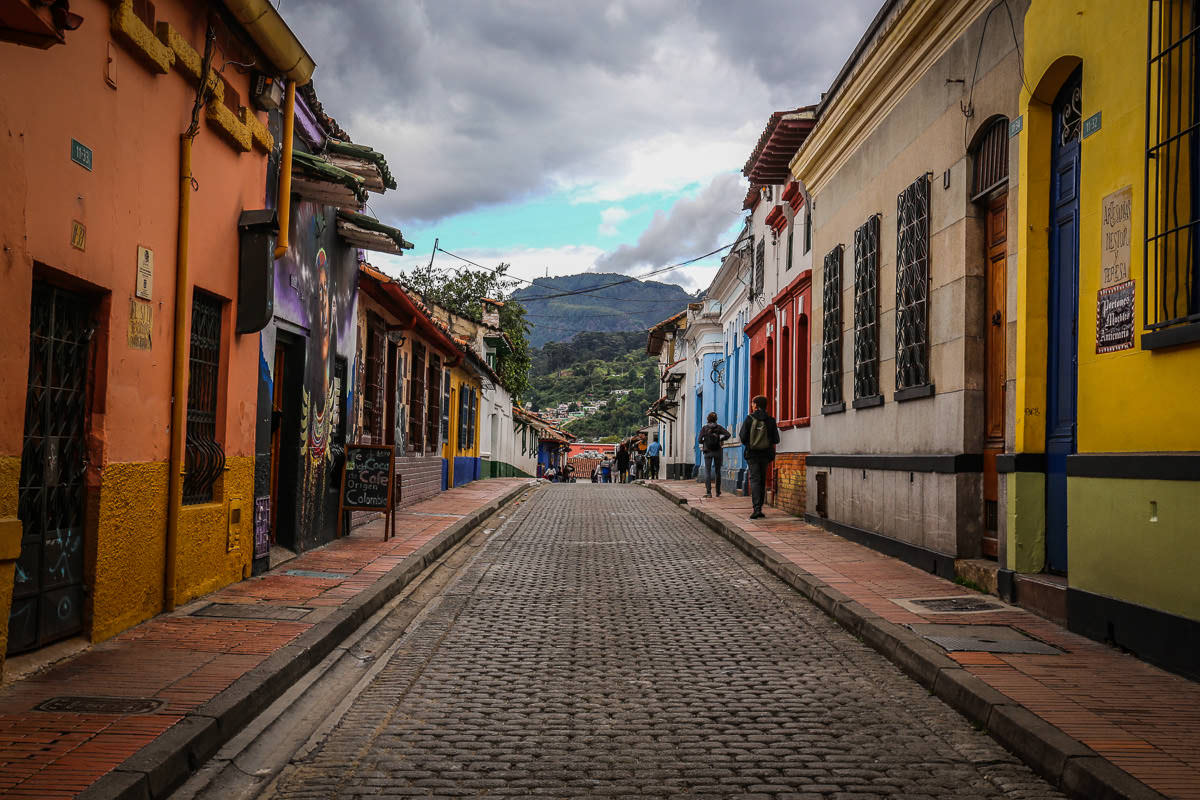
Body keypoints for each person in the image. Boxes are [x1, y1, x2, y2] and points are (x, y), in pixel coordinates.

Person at [738, 395, 780, 519]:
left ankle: (756, 509)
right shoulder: (770, 420)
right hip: (765, 455)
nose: (752, 405)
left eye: (752, 403)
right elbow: (776, 439)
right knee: (762, 480)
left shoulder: (749, 419)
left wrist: (751, 444)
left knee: (755, 480)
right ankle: (760, 508)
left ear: (756, 405)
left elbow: (743, 436)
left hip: (752, 454)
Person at [697, 411, 731, 498]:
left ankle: (708, 493)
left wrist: (705, 441)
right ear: (716, 419)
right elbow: (728, 434)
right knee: (717, 471)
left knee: (707, 472)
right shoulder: (719, 427)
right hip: (717, 451)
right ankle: (718, 491)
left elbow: (699, 440)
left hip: (707, 451)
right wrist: (721, 439)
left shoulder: (704, 428)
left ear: (708, 419)